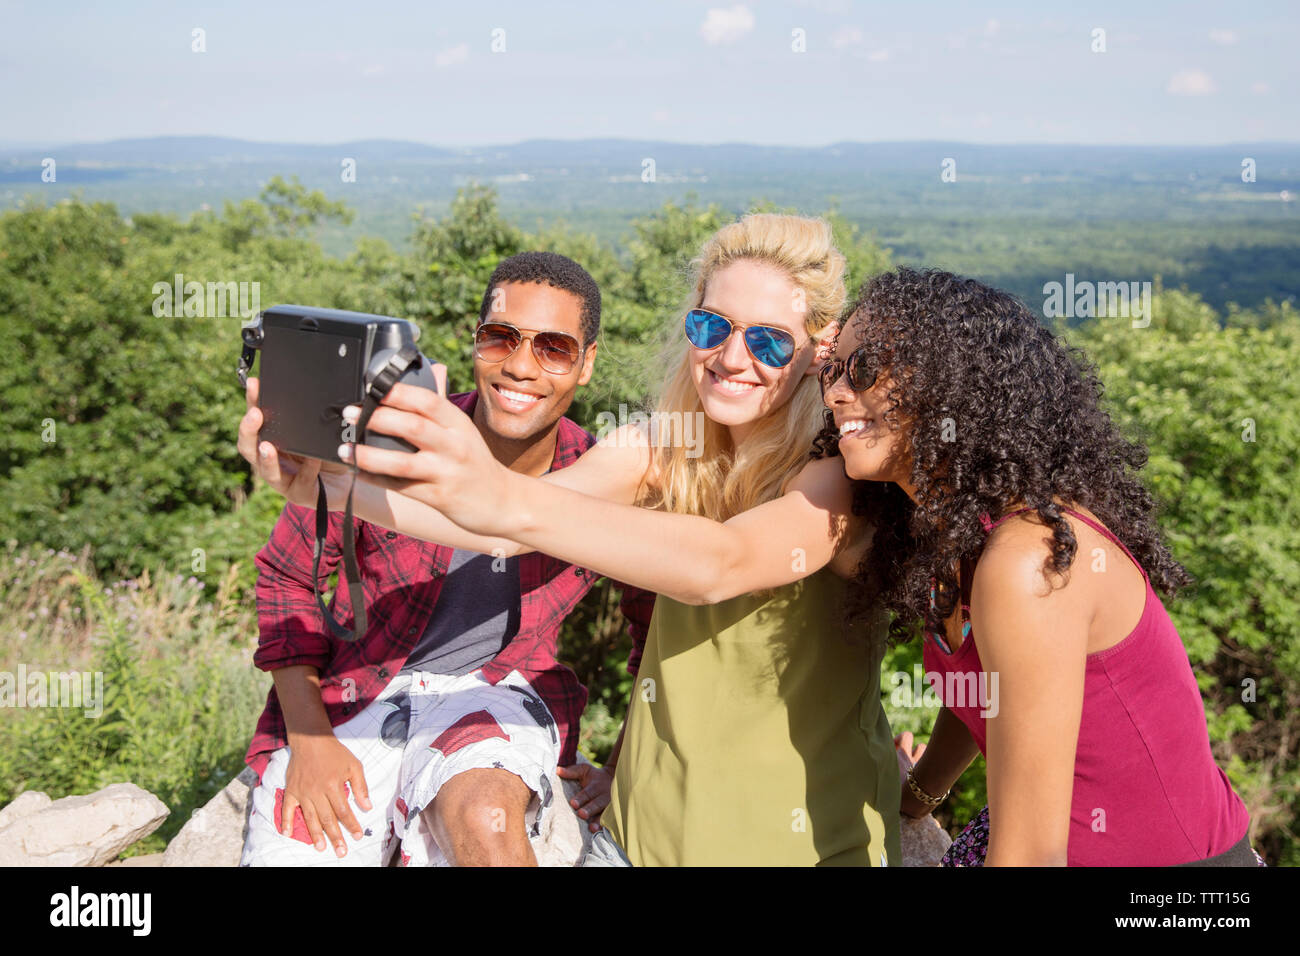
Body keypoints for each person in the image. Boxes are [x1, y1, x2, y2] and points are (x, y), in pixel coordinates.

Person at [305, 213, 902, 865]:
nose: (732, 359)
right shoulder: (665, 447)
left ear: (821, 350)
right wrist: (323, 483)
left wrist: (494, 493)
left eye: (770, 341)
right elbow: (491, 524)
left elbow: (719, 565)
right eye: (712, 328)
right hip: (636, 842)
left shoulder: (838, 476)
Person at [820, 267, 1260, 866]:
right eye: (832, 371)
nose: (836, 393)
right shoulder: (955, 530)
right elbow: (985, 688)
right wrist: (918, 795)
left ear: (952, 382)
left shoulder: (1029, 560)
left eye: (864, 367)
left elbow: (1029, 857)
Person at [236, 250, 655, 866]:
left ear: (586, 362)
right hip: (361, 690)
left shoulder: (600, 479)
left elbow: (656, 630)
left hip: (498, 691)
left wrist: (621, 769)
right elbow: (286, 575)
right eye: (501, 337)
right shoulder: (389, 438)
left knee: (486, 821)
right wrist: (309, 737)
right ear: (475, 341)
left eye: (555, 349)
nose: (520, 367)